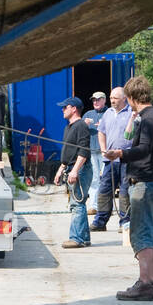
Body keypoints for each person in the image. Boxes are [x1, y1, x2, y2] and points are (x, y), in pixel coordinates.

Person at [104, 76, 153, 301]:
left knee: (140, 234)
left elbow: (143, 149)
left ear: (131, 98)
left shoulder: (148, 119)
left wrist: (120, 153)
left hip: (144, 182)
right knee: (151, 233)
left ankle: (144, 284)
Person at [53, 96, 92, 249]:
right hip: (70, 167)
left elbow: (83, 151)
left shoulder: (81, 125)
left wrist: (75, 170)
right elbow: (68, 152)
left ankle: (76, 238)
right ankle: (85, 238)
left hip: (80, 169)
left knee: (77, 204)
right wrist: (60, 170)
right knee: (78, 203)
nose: (62, 110)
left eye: (65, 107)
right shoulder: (68, 127)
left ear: (74, 108)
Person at [93, 88, 132, 231]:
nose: (112, 100)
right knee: (104, 190)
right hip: (109, 160)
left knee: (124, 191)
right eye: (111, 98)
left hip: (125, 159)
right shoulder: (108, 113)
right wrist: (103, 150)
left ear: (124, 98)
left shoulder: (131, 113)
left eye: (115, 98)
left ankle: (125, 222)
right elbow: (101, 132)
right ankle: (100, 221)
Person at [83, 91, 108, 183]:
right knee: (94, 179)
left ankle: (105, 197)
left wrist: (105, 125)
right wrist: (83, 124)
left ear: (104, 100)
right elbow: (80, 132)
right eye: (94, 100)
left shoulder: (110, 113)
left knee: (105, 177)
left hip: (105, 152)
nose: (95, 102)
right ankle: (94, 198)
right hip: (91, 151)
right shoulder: (88, 114)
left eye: (98, 100)